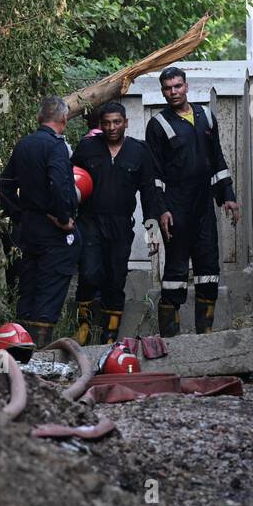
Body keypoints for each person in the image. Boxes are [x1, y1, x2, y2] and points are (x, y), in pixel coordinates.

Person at [145, 66, 239, 336]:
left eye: (177, 86)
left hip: (204, 206)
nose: (173, 92)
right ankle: (171, 340)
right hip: (176, 208)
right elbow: (154, 175)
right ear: (162, 91)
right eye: (167, 88)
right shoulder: (158, 125)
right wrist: (161, 210)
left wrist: (228, 197)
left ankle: (204, 337)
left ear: (186, 86)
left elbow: (218, 160)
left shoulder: (206, 116)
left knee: (208, 267)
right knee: (175, 271)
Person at [69, 102, 169, 344]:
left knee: (116, 277)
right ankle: (83, 326)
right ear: (100, 125)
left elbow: (148, 193)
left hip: (121, 224)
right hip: (90, 221)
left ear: (126, 123)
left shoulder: (139, 151)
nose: (112, 127)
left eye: (116, 122)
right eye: (107, 123)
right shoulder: (87, 148)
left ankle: (109, 334)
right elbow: (69, 182)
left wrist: (152, 233)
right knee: (90, 273)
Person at [0, 96, 81, 349]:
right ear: (64, 119)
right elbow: (58, 183)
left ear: (38, 118)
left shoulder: (24, 144)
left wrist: (19, 215)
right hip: (52, 231)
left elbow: (4, 186)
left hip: (28, 230)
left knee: (29, 286)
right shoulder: (56, 147)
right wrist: (64, 218)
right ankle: (42, 353)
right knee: (50, 287)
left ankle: (21, 350)